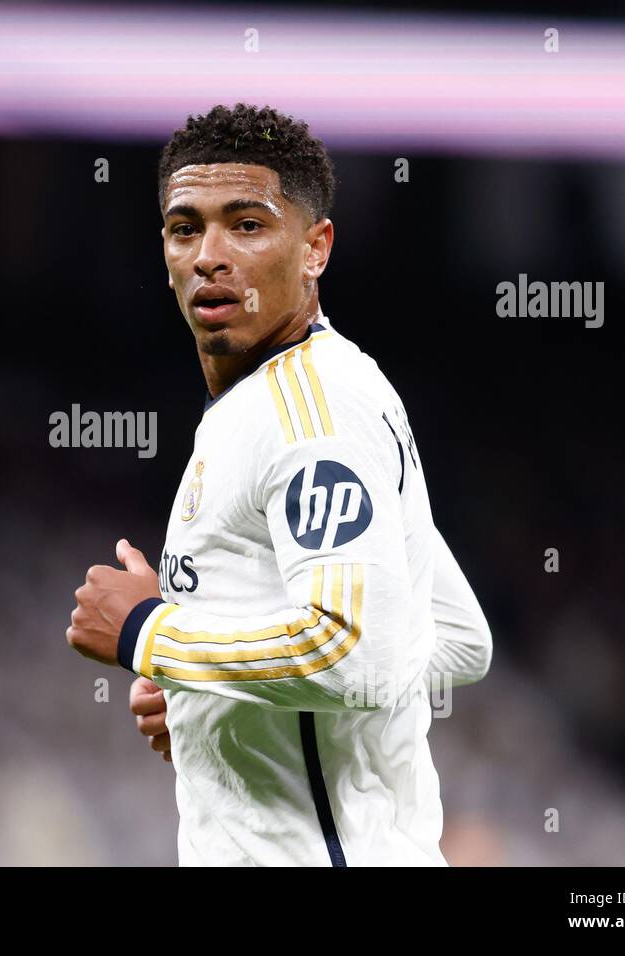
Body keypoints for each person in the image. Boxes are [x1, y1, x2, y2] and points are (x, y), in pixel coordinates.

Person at [65, 103, 491, 865]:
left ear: (315, 248)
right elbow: (457, 638)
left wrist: (149, 635)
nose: (209, 256)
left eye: (248, 225)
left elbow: (353, 651)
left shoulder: (311, 415)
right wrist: (219, 697)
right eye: (185, 228)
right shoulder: (275, 399)